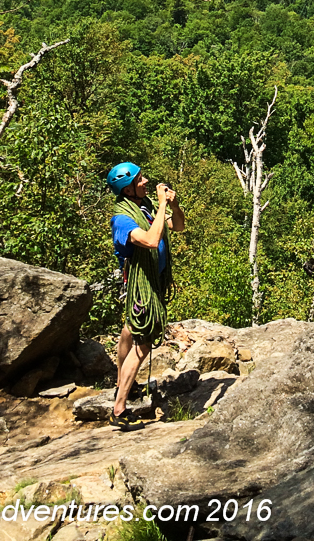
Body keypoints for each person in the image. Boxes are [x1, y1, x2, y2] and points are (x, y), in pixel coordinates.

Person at [106, 161, 185, 431]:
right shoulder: (122, 219)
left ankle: (122, 381)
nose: (146, 182)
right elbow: (151, 240)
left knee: (130, 329)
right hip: (142, 285)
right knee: (144, 340)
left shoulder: (144, 206)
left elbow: (178, 227)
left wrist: (172, 206)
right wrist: (162, 205)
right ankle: (119, 408)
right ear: (127, 189)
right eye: (140, 180)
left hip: (152, 281)